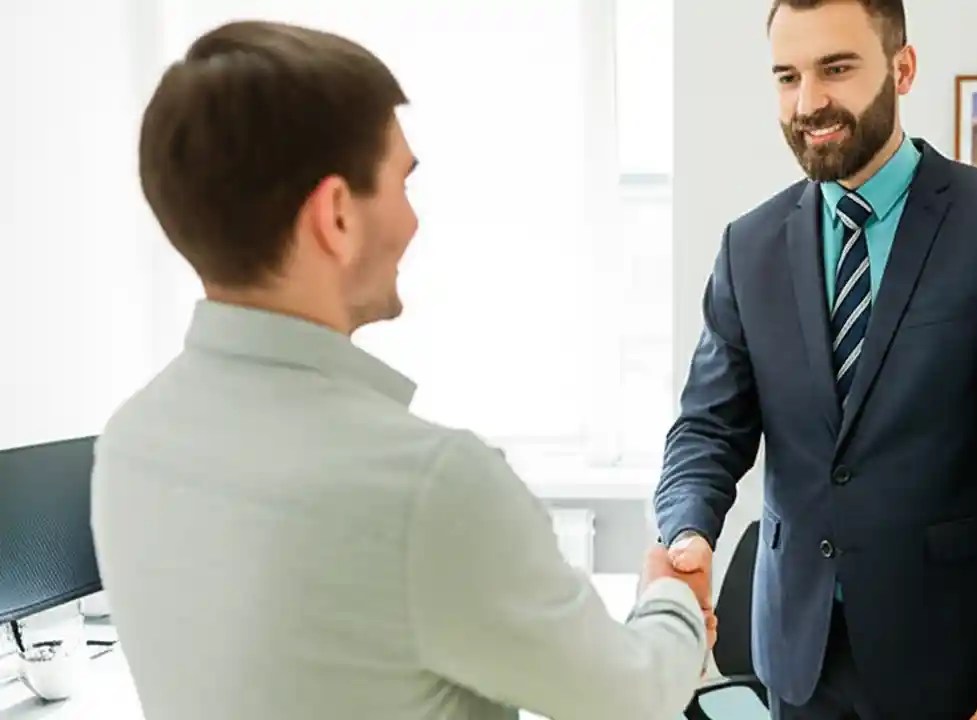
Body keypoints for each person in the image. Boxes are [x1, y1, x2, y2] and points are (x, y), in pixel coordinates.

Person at [90, 20, 711, 720]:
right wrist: (672, 600)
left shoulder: (128, 445)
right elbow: (632, 698)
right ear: (336, 216)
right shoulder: (427, 485)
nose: (413, 222)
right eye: (401, 182)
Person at [653, 1, 977, 718]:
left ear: (903, 68)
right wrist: (689, 532)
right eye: (787, 76)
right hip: (798, 661)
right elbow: (707, 427)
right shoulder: (749, 246)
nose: (808, 102)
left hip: (952, 668)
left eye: (836, 68)